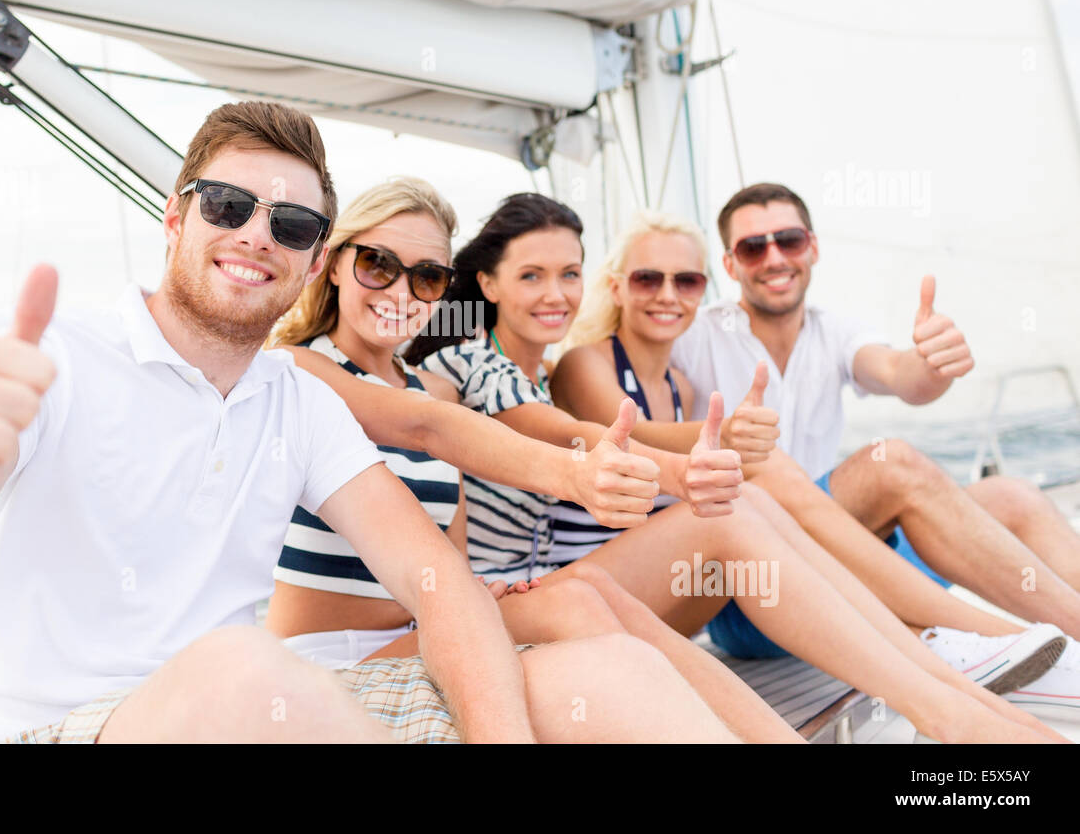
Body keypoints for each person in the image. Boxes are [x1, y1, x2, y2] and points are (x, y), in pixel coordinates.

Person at [0, 101, 703, 745]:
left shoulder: (297, 399)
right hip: (73, 731)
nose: (257, 234)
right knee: (237, 668)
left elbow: (437, 578)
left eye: (290, 223)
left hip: (261, 710)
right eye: (226, 205)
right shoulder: (54, 353)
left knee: (607, 674)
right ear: (175, 217)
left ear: (311, 260)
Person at [397, 193, 1062, 743]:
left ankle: (951, 661)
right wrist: (704, 455)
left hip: (604, 586)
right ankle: (951, 666)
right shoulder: (482, 364)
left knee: (990, 493)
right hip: (550, 595)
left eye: (568, 273)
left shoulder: (547, 372)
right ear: (485, 283)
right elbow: (572, 435)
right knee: (754, 488)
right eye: (531, 275)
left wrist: (926, 369)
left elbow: (897, 375)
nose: (556, 293)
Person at [267, 176, 805, 742]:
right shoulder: (299, 371)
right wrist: (603, 474)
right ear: (330, 264)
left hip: (426, 639)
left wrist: (481, 593)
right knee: (575, 603)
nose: (401, 292)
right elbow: (426, 428)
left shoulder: (435, 388)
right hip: (326, 663)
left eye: (426, 277)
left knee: (585, 593)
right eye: (378, 265)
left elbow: (449, 555)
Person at [551, 212, 1071, 705]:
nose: (668, 295)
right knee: (807, 469)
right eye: (647, 279)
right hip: (720, 590)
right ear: (616, 285)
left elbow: (898, 374)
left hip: (807, 556)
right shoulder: (591, 363)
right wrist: (725, 434)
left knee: (1010, 495)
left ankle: (1026, 634)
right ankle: (969, 632)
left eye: (686, 282)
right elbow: (631, 435)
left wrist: (934, 366)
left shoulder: (683, 380)